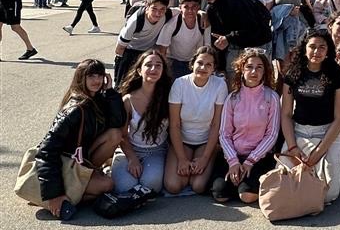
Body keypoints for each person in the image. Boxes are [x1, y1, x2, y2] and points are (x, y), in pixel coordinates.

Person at [33, 59, 124, 218]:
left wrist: (110, 91)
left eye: (100, 76)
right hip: (65, 164)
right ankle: (58, 199)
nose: (96, 80)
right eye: (91, 76)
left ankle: (78, 189)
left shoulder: (97, 99)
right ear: (81, 78)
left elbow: (117, 122)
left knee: (115, 134)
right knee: (107, 185)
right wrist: (54, 194)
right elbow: (46, 150)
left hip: (81, 159)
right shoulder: (74, 109)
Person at [280, 28, 340, 203]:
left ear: (328, 51)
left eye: (322, 47)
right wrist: (293, 147)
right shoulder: (292, 74)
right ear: (305, 48)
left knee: (328, 195)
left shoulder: (337, 75)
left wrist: (317, 153)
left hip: (328, 133)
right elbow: (286, 114)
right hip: (299, 132)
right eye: (312, 46)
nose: (316, 52)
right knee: (285, 182)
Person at [213, 48, 280, 204]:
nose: (254, 71)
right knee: (220, 195)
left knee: (247, 196)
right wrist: (233, 162)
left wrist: (250, 161)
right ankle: (237, 182)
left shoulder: (272, 97)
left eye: (259, 67)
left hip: (258, 157)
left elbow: (272, 134)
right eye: (249, 67)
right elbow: (224, 134)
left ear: (265, 72)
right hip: (233, 155)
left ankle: (245, 185)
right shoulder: (233, 98)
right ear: (242, 69)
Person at [164, 46, 228, 195]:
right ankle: (184, 160)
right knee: (173, 186)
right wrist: (181, 159)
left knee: (198, 186)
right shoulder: (179, 84)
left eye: (208, 65)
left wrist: (205, 158)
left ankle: (211, 156)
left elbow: (215, 124)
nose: (203, 67)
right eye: (199, 63)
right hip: (182, 140)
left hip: (206, 141)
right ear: (192, 64)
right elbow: (174, 124)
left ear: (214, 68)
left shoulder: (220, 85)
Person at [112, 50, 172, 193]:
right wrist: (132, 158)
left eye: (158, 65)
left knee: (151, 185)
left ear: (163, 71)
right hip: (129, 149)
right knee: (125, 187)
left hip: (157, 151)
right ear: (139, 70)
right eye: (148, 65)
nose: (153, 69)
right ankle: (112, 166)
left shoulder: (169, 96)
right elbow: (122, 134)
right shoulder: (128, 99)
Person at [197, 0, 272, 83]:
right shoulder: (211, 9)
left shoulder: (235, 1)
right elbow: (218, 39)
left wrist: (229, 38)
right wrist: (220, 67)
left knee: (257, 85)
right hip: (236, 45)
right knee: (234, 85)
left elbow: (255, 28)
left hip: (258, 44)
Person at [114, 0, 171, 84]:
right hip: (130, 52)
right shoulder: (135, 21)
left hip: (148, 53)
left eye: (162, 9)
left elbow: (182, 10)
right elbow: (119, 49)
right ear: (147, 6)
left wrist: (201, 13)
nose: (158, 13)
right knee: (123, 84)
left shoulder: (168, 14)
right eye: (154, 9)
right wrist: (120, 66)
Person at [156, 0, 211, 80]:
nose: (190, 11)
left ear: (199, 7)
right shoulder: (172, 24)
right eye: (186, 7)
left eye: (194, 7)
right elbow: (162, 51)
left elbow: (207, 48)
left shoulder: (204, 22)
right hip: (174, 61)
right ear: (180, 8)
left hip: (195, 62)